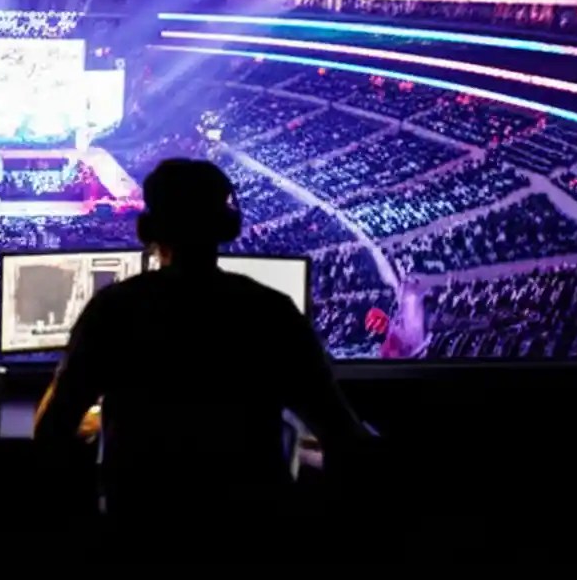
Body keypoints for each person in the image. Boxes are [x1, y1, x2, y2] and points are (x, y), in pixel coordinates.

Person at [34, 158, 371, 558]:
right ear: (227, 227)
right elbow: (343, 434)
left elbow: (52, 429)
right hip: (253, 533)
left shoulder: (113, 309)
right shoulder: (273, 311)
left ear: (147, 229)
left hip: (140, 527)